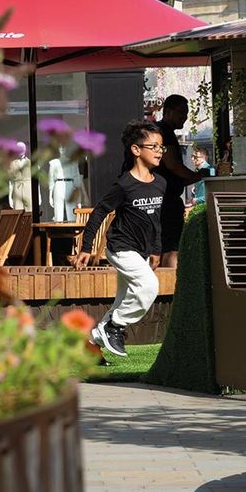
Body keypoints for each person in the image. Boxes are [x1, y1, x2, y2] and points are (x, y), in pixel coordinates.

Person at [73, 120, 165, 358]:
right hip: (121, 248)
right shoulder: (125, 184)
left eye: (161, 147)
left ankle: (90, 345)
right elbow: (99, 212)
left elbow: (155, 222)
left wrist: (156, 249)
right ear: (136, 150)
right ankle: (113, 326)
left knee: (123, 300)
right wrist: (86, 247)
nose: (159, 152)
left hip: (142, 252)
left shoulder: (160, 184)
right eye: (153, 147)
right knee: (148, 287)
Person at [155, 94, 206, 269]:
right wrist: (197, 176)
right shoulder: (164, 133)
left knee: (162, 246)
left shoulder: (158, 131)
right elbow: (172, 165)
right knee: (171, 248)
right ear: (167, 112)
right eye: (181, 113)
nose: (184, 117)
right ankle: (171, 288)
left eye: (186, 113)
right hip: (167, 201)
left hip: (161, 197)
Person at [7, 142, 32, 210]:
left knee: (30, 213)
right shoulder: (11, 164)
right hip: (17, 190)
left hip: (29, 189)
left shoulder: (31, 163)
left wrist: (38, 195)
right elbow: (11, 182)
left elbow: (36, 181)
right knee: (18, 213)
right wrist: (10, 197)